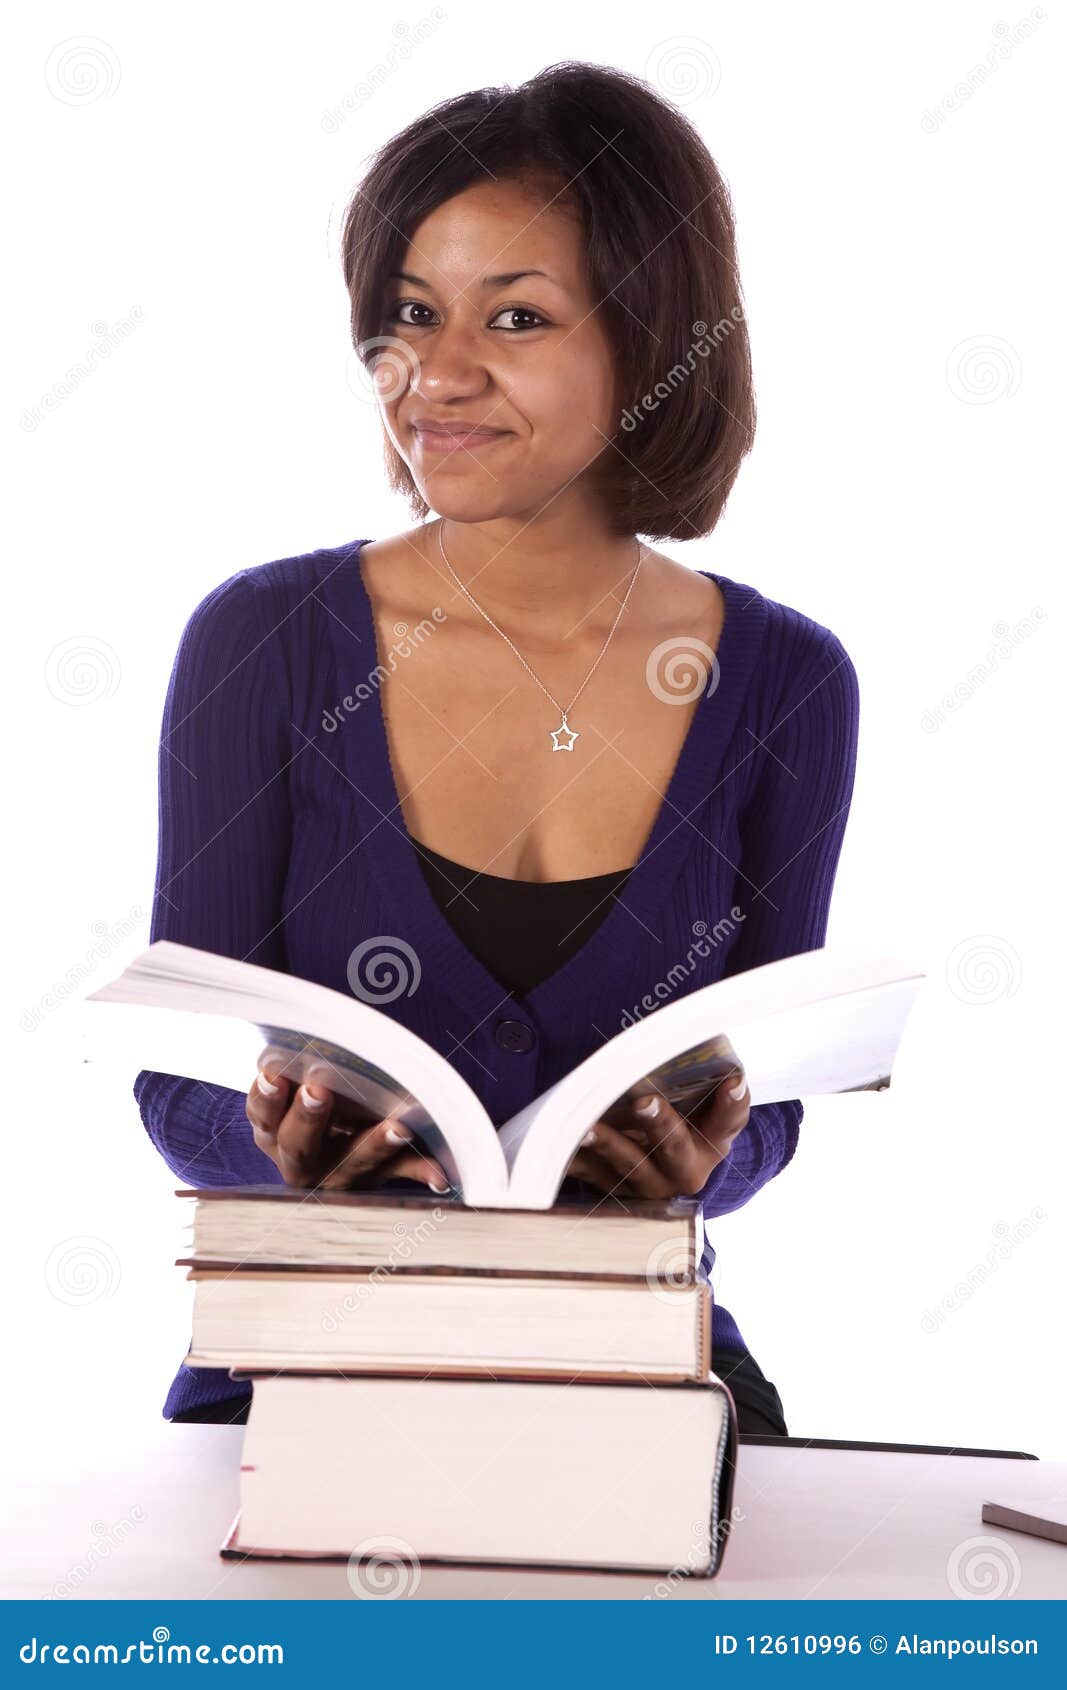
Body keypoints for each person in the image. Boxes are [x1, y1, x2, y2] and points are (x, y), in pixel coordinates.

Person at [134, 61, 859, 1435]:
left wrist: (697, 1159)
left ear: (651, 340)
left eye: (515, 316)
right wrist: (285, 1144)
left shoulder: (786, 681)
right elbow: (175, 1069)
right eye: (411, 313)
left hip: (640, 1375)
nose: (436, 373)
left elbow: (771, 1099)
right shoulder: (264, 642)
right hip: (301, 1383)